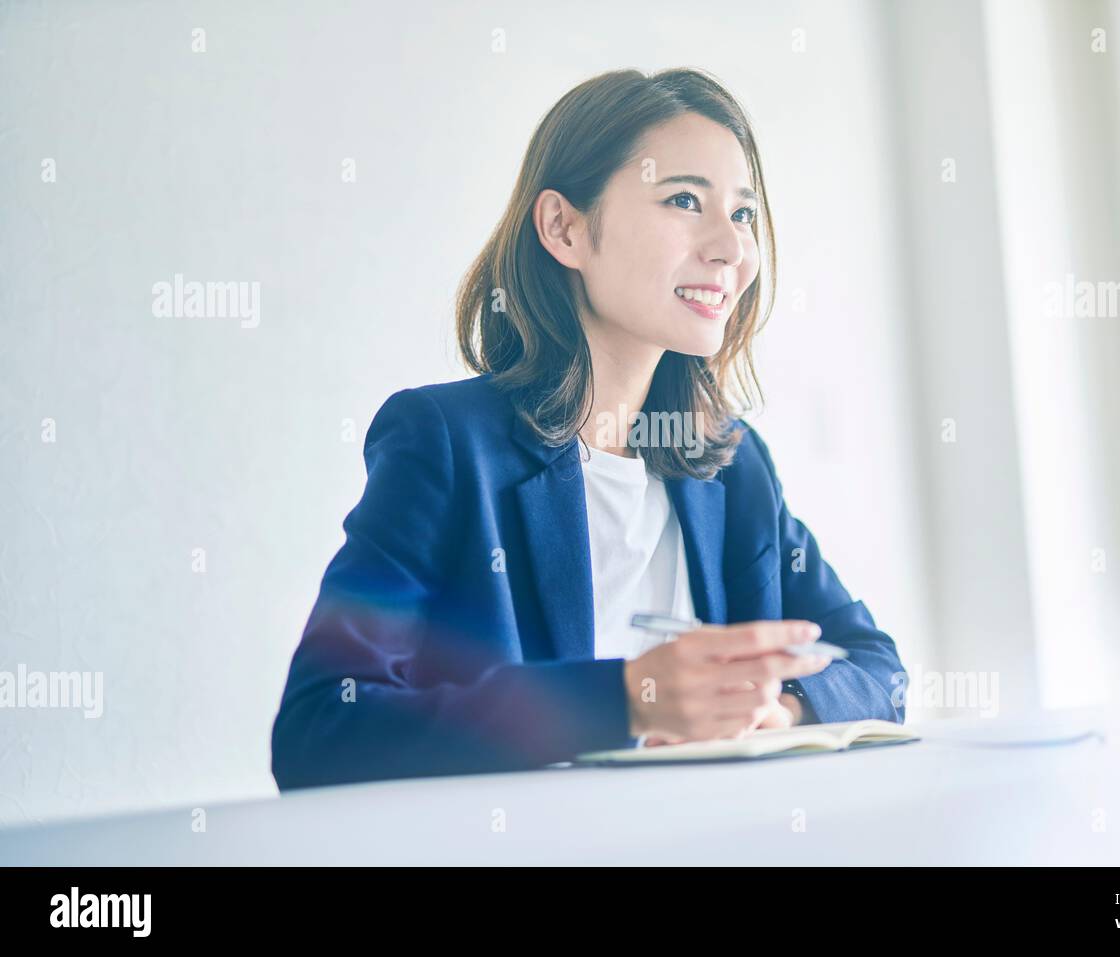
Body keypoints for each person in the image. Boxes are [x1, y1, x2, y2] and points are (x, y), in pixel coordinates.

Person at [271, 68, 907, 791]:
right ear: (564, 228)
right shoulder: (445, 446)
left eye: (743, 214)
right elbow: (320, 729)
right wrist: (630, 697)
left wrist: (781, 710)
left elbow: (879, 670)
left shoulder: (734, 467)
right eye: (685, 200)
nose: (730, 249)